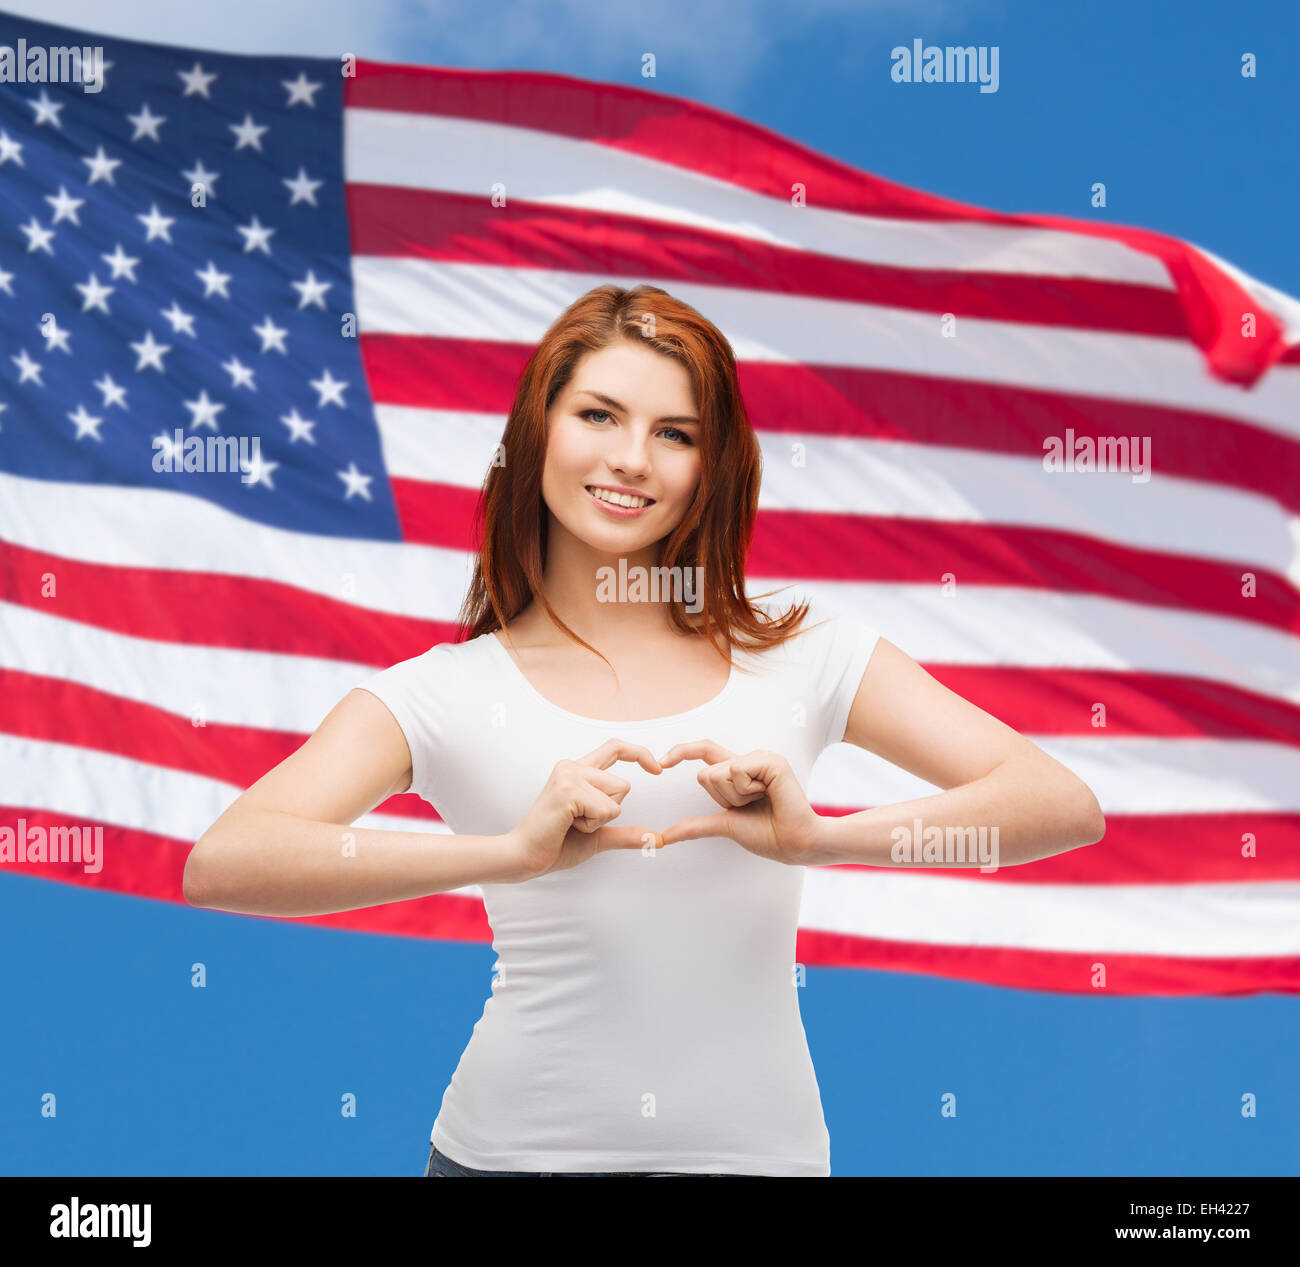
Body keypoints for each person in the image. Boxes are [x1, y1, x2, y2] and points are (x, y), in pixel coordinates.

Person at [182, 283, 1105, 1177]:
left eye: (675, 433)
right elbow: (225, 861)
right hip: (505, 1159)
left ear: (714, 467)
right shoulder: (445, 692)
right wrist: (510, 853)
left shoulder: (808, 649)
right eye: (598, 415)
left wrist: (817, 838)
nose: (631, 457)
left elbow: (1058, 803)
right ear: (536, 433)